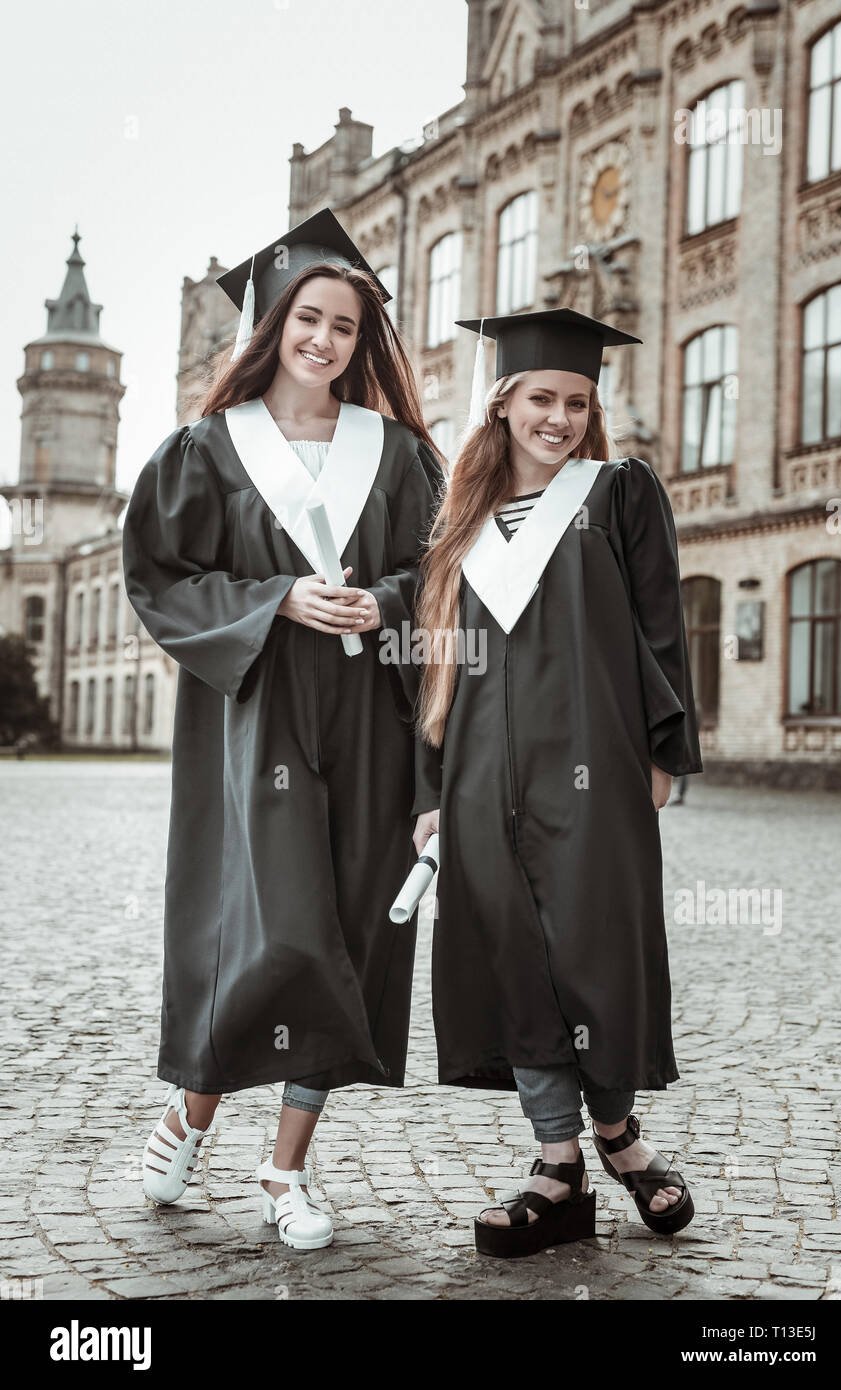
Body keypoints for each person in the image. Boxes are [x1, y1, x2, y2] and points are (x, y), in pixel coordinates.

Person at [122, 208, 445, 1250]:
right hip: (254, 715)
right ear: (270, 326)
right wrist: (274, 604)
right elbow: (161, 576)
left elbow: (435, 576)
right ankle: (194, 1107)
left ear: (362, 343)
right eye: (308, 318)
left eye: (345, 327)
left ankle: (285, 1165)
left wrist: (384, 606)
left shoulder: (394, 454)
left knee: (345, 933)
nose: (324, 341)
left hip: (368, 720)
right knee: (268, 930)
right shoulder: (204, 452)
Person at [411, 308, 703, 1258]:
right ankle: (558, 1167)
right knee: (514, 959)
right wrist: (429, 790)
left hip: (597, 767)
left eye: (578, 401)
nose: (561, 417)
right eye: (541, 399)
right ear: (501, 405)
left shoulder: (619, 492)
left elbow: (662, 627)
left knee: (596, 952)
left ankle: (619, 1135)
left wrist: (665, 757)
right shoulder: (463, 527)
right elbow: (439, 669)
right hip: (483, 778)